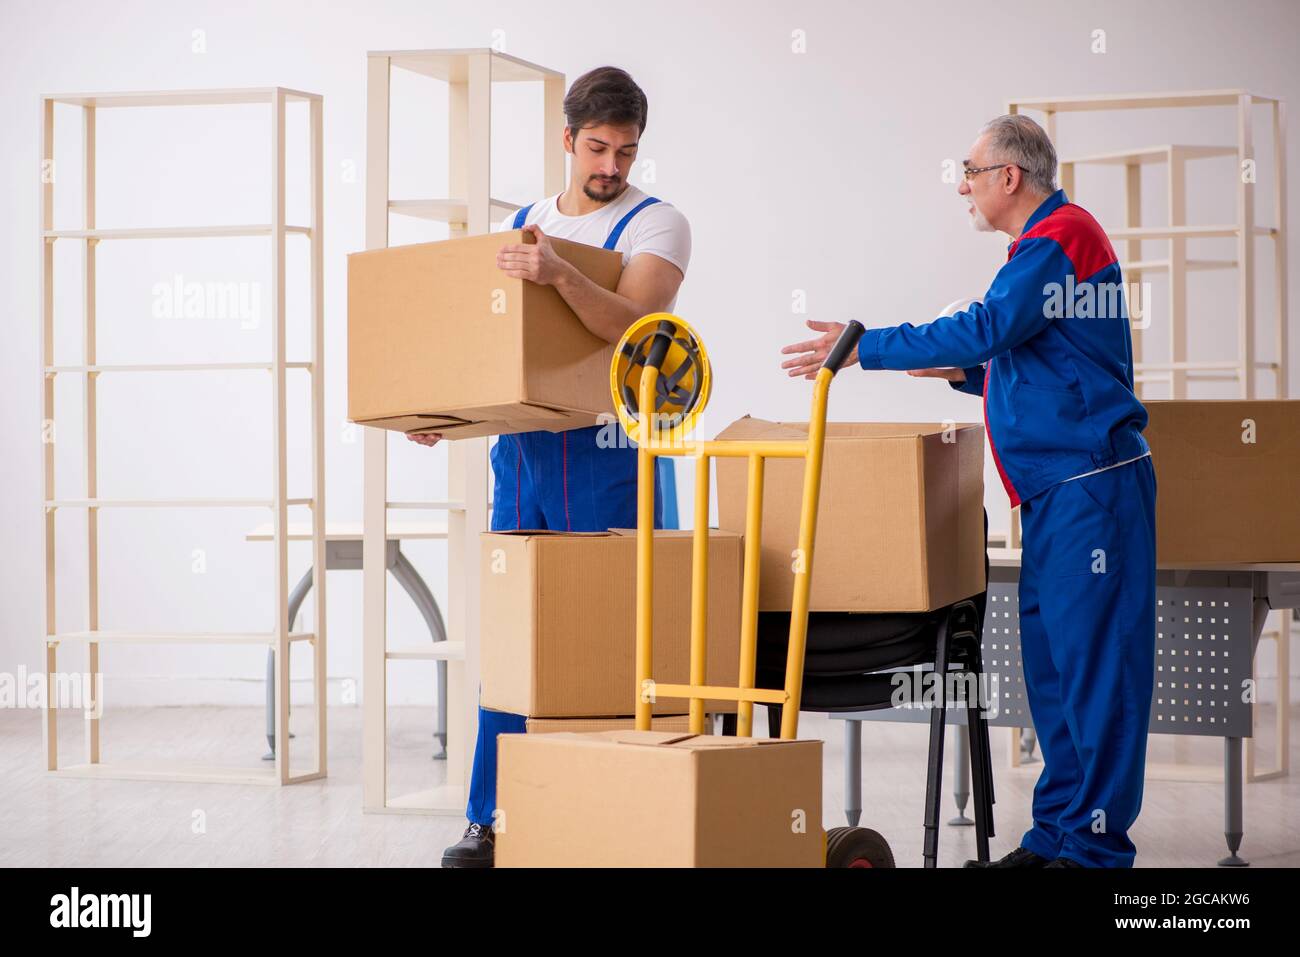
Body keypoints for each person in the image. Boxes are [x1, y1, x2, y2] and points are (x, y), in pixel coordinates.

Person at [780, 114, 1156, 869]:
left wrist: (868, 345)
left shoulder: (1065, 233)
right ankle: (1054, 835)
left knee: (1097, 676)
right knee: (1052, 674)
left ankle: (1095, 853)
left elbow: (989, 327)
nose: (963, 186)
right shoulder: (1037, 248)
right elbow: (1025, 357)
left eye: (971, 172)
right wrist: (961, 372)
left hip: (1093, 488)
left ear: (1008, 177)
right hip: (1053, 494)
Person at [408, 66, 692, 868]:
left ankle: (607, 818)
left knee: (611, 637)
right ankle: (491, 819)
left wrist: (559, 272)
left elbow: (637, 324)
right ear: (566, 140)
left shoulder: (657, 223)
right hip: (526, 459)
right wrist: (443, 414)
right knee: (514, 642)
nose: (611, 166)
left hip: (610, 453)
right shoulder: (524, 221)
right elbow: (499, 352)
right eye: (597, 148)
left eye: (626, 151)